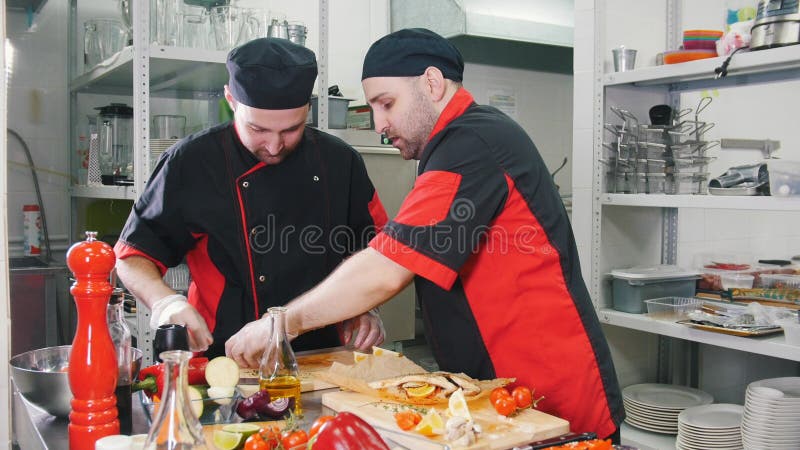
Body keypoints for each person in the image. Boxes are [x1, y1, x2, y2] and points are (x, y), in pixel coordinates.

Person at [226, 28, 624, 438]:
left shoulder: (470, 143)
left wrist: (282, 323)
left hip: (552, 396)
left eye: (386, 103)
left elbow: (387, 267)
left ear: (432, 84)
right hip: (506, 395)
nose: (379, 123)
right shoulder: (458, 143)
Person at [114, 37, 389, 361]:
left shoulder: (341, 163)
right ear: (231, 99)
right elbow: (132, 257)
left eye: (291, 130)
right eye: (258, 129)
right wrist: (165, 302)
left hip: (323, 359)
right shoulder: (191, 163)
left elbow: (379, 254)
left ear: (308, 110)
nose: (274, 146)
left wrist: (365, 307)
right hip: (223, 359)